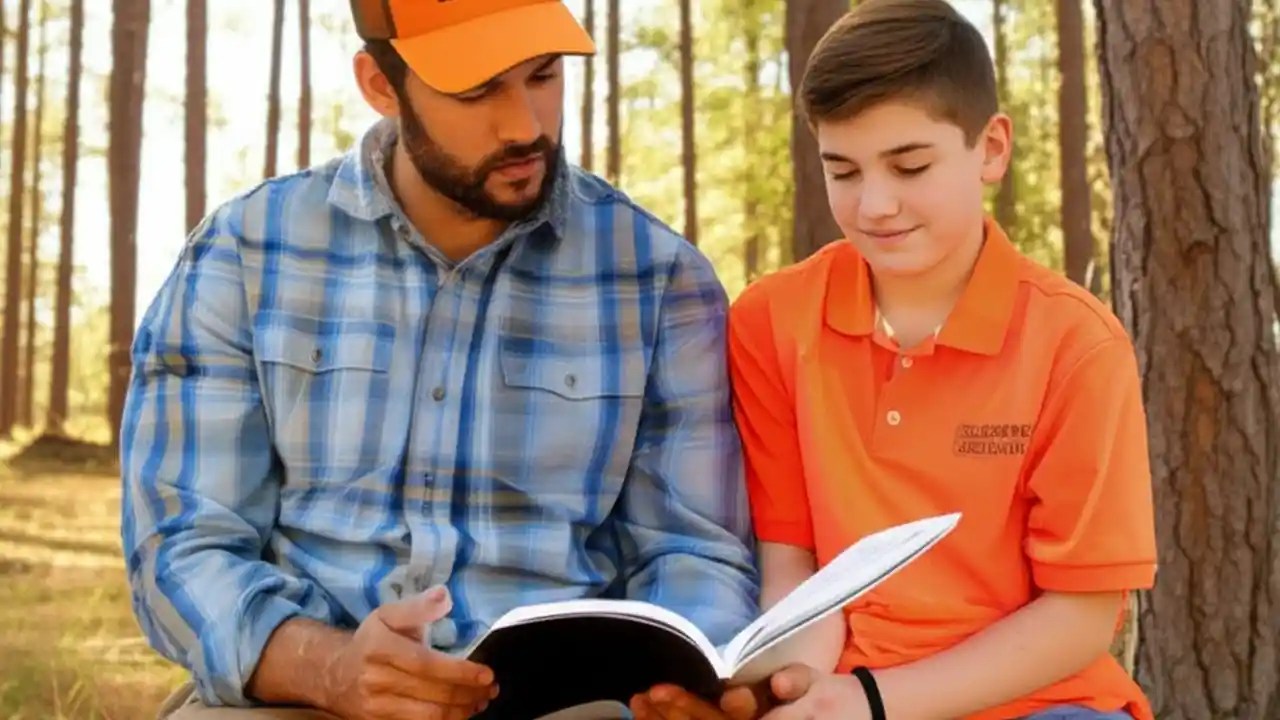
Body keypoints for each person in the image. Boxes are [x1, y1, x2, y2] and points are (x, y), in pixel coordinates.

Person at [120, 1, 761, 718]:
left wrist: (687, 681)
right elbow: (181, 541)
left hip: (569, 704)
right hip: (301, 695)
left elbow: (694, 552)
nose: (525, 126)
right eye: (477, 90)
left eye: (543, 75)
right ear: (381, 85)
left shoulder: (659, 277)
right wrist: (329, 668)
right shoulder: (244, 253)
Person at [630, 1, 1158, 719]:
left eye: (910, 166)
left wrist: (873, 702)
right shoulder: (771, 321)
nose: (875, 204)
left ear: (991, 149)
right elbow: (794, 567)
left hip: (1037, 703)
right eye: (843, 171)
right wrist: (791, 690)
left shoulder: (1076, 346)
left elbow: (1082, 614)